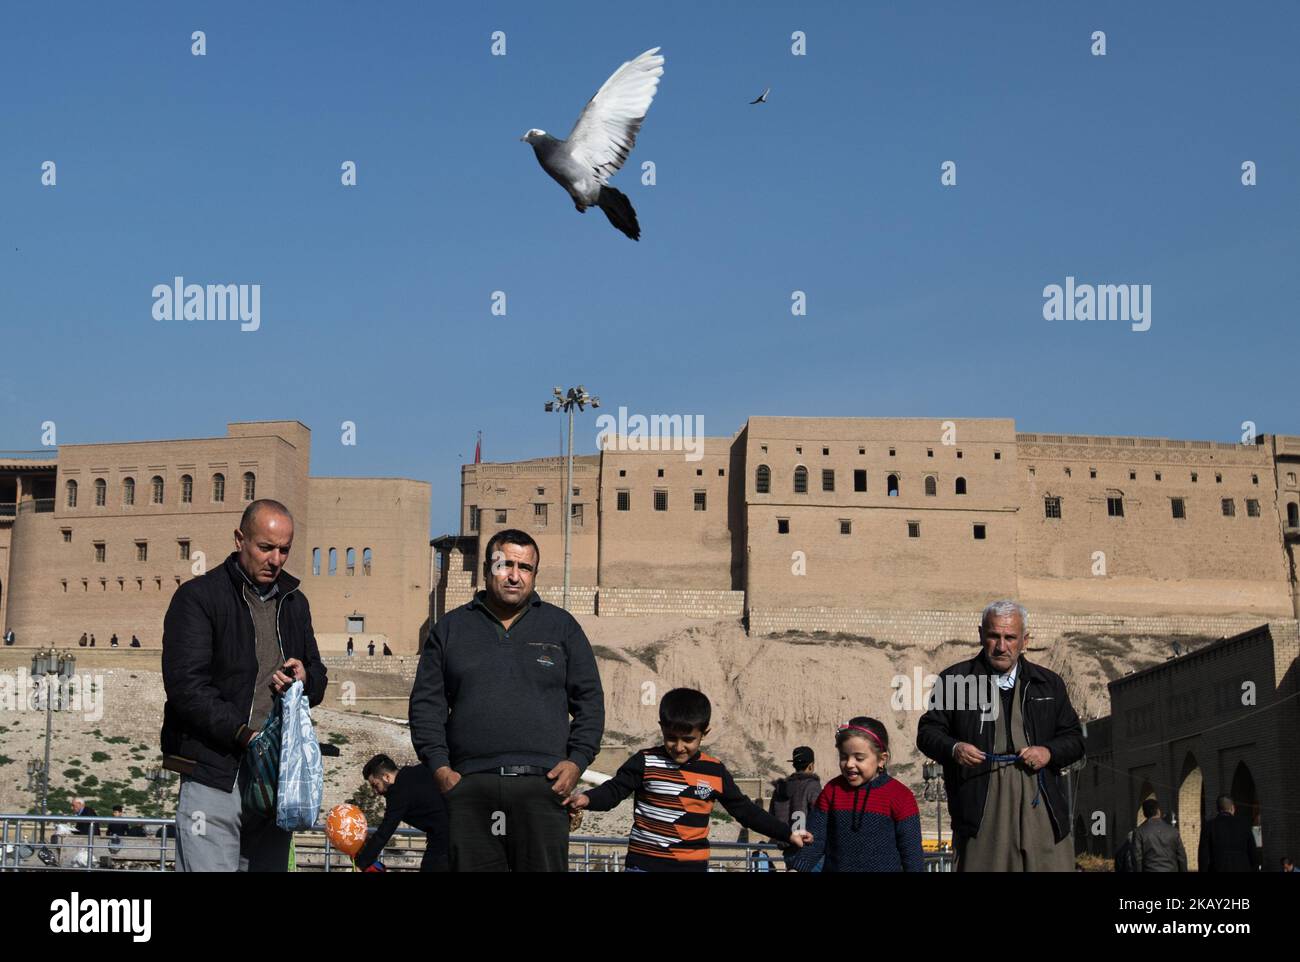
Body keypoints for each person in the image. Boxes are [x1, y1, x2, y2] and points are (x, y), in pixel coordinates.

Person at [410, 528, 604, 872]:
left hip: (543, 789)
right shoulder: (452, 629)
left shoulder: (561, 627)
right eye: (505, 565)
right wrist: (441, 769)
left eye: (525, 568)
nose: (515, 576)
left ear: (534, 574)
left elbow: (590, 702)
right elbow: (427, 706)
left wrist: (576, 762)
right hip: (471, 789)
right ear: (487, 569)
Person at [161, 499, 327, 872]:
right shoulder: (198, 598)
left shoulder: (295, 603)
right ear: (240, 539)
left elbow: (319, 677)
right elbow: (186, 687)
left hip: (274, 782)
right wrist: (244, 735)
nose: (276, 559)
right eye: (265, 547)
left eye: (284, 549)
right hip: (215, 774)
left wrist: (306, 677)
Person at [917, 600, 1083, 872]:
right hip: (981, 804)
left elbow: (1074, 739)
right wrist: (954, 748)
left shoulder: (1048, 683)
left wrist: (1048, 753)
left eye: (1010, 637)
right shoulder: (954, 680)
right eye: (994, 636)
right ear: (981, 634)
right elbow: (928, 733)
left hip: (1040, 800)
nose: (1001, 646)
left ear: (1025, 640)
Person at [566, 687, 807, 871]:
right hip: (643, 864)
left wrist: (786, 833)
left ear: (704, 733)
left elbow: (745, 811)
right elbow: (614, 791)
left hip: (691, 866)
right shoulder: (645, 761)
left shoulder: (715, 772)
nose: (678, 747)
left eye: (688, 739)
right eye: (671, 737)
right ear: (661, 727)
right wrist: (587, 799)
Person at [785, 717, 924, 872]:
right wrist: (797, 868)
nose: (850, 764)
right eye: (844, 757)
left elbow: (912, 854)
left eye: (859, 758)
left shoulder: (901, 797)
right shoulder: (832, 791)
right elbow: (815, 839)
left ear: (881, 759)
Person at [354, 754, 449, 872]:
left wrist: (361, 864)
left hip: (444, 839)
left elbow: (385, 831)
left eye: (375, 785)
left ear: (387, 777)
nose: (375, 792)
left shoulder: (397, 793)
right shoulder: (418, 771)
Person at [769, 745, 822, 851]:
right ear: (811, 766)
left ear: (794, 765)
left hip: (786, 848)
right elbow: (820, 816)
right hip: (807, 848)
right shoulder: (812, 786)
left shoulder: (781, 788)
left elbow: (771, 817)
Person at [1198, 795, 1260, 872]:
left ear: (1217, 809)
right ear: (1232, 808)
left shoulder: (1209, 826)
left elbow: (1203, 857)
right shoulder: (1244, 826)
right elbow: (1253, 854)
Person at [1133, 798, 1187, 872]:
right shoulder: (1173, 831)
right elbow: (1181, 857)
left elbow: (1137, 859)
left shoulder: (1139, 832)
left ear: (1144, 813)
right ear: (1158, 811)